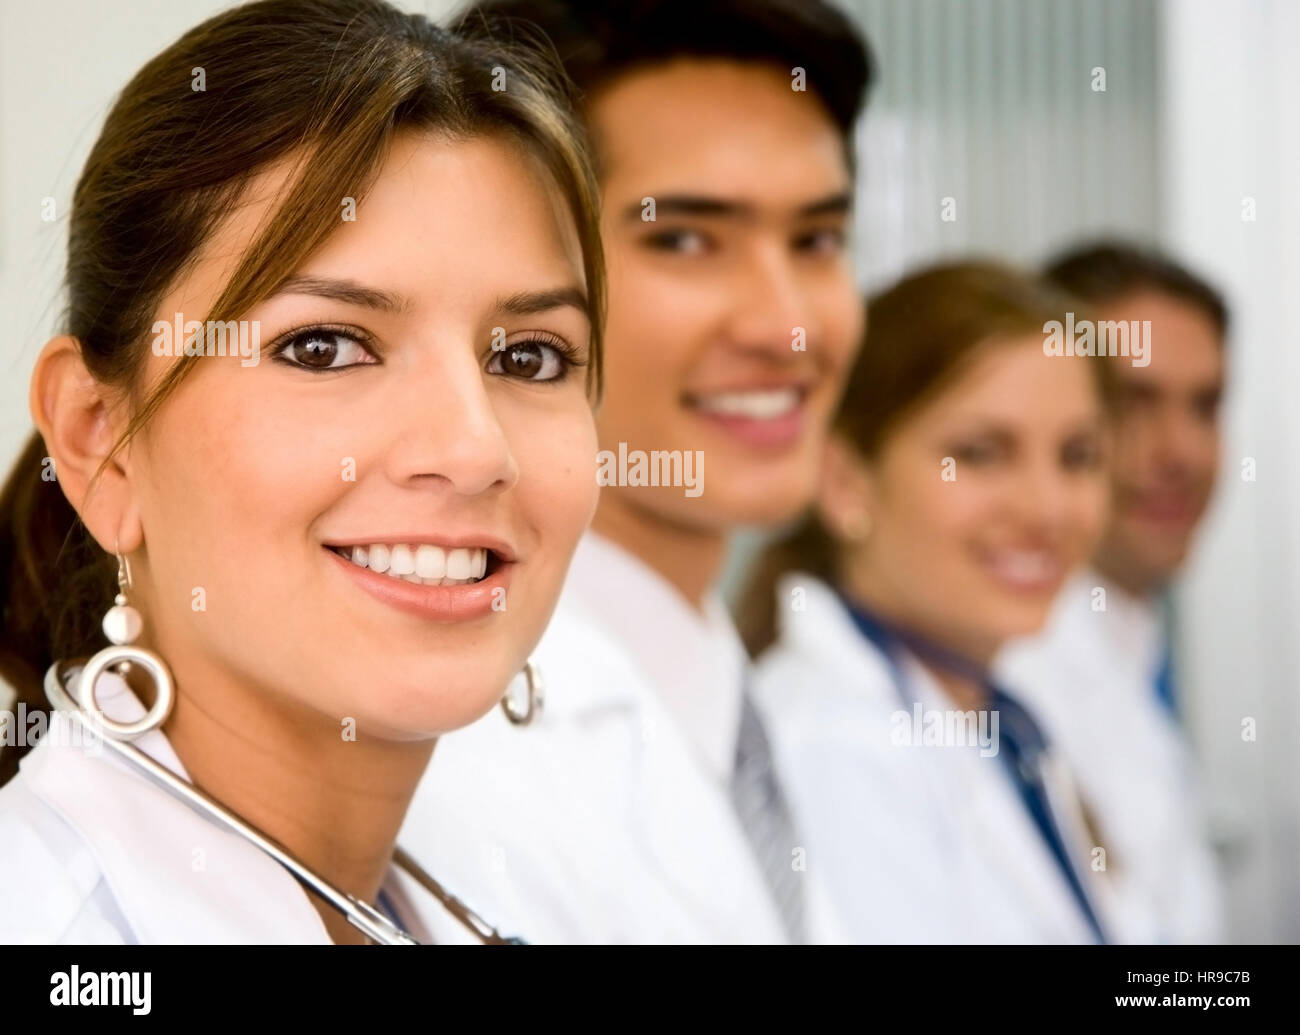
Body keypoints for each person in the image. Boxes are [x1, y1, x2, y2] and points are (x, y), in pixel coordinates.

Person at [0, 0, 606, 944]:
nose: (475, 448)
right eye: (323, 347)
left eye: (529, 357)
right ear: (99, 439)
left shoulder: (446, 897)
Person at [401, 0, 874, 943]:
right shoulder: (451, 747)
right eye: (686, 239)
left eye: (816, 240)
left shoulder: (710, 681)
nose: (786, 324)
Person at [736, 261, 1119, 942]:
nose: (1046, 507)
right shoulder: (830, 748)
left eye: (1077, 455)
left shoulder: (996, 714)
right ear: (846, 481)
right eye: (979, 453)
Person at [996, 242, 1227, 942]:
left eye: (1206, 404)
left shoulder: (1135, 645)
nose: (1179, 450)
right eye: (1135, 402)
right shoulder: (1009, 672)